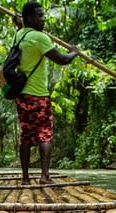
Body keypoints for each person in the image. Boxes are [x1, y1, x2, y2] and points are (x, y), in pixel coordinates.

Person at [12, 2, 78, 185]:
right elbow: (61, 59)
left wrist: (20, 25)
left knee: (26, 135)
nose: (43, 20)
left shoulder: (19, 35)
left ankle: (25, 178)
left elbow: (26, 38)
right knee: (45, 134)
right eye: (40, 16)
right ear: (30, 18)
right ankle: (44, 176)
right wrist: (74, 53)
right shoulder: (40, 38)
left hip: (21, 94)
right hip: (38, 94)